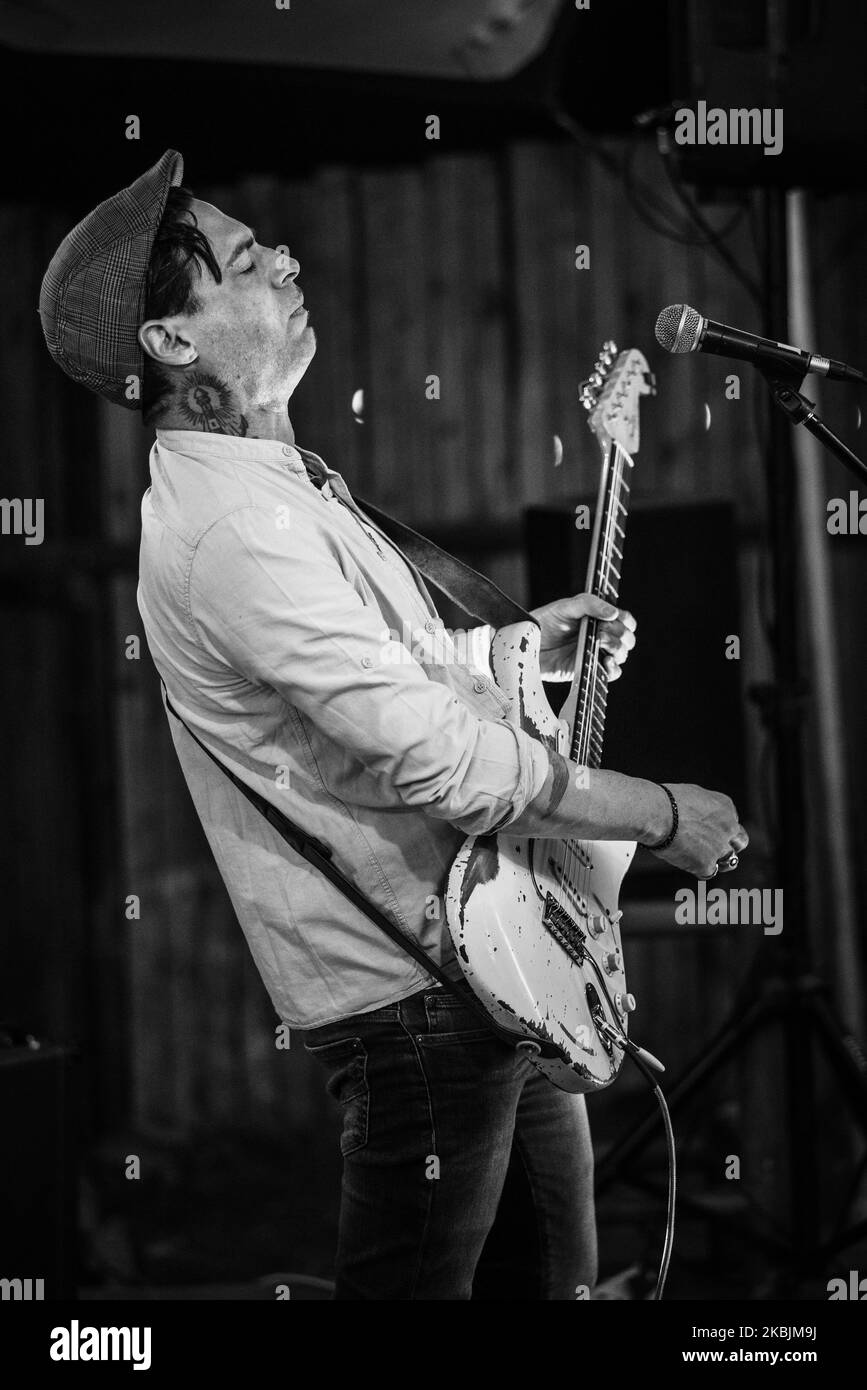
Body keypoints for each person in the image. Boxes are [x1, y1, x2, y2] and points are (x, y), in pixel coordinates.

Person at [39, 150, 748, 1300]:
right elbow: (445, 763)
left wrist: (522, 649)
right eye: (250, 261)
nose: (289, 262)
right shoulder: (235, 532)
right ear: (171, 341)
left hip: (497, 956)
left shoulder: (280, 484)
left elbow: (394, 682)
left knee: (556, 1284)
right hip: (417, 1000)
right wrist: (660, 813)